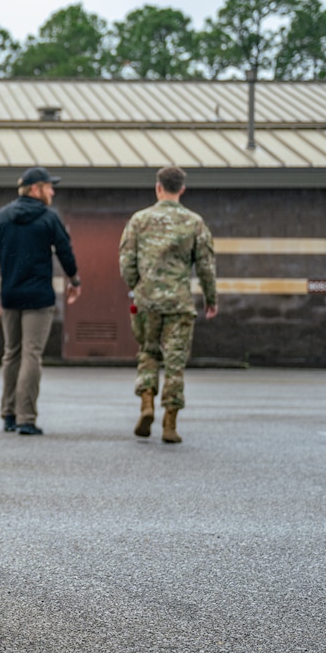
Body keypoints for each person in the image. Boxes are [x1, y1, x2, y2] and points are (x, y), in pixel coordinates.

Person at [118, 165, 217, 444]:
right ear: (182, 189)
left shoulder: (139, 220)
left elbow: (126, 261)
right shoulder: (195, 222)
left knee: (148, 352)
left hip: (146, 301)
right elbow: (207, 266)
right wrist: (211, 299)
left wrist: (138, 286)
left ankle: (146, 403)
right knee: (175, 362)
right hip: (179, 303)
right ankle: (170, 424)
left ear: (158, 187)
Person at [0, 166, 81, 436]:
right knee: (31, 355)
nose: (53, 191)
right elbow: (65, 250)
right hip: (39, 297)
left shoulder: (0, 217)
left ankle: (9, 415)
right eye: (49, 186)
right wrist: (75, 281)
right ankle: (26, 418)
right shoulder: (49, 217)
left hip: (11, 295)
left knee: (11, 353)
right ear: (35, 189)